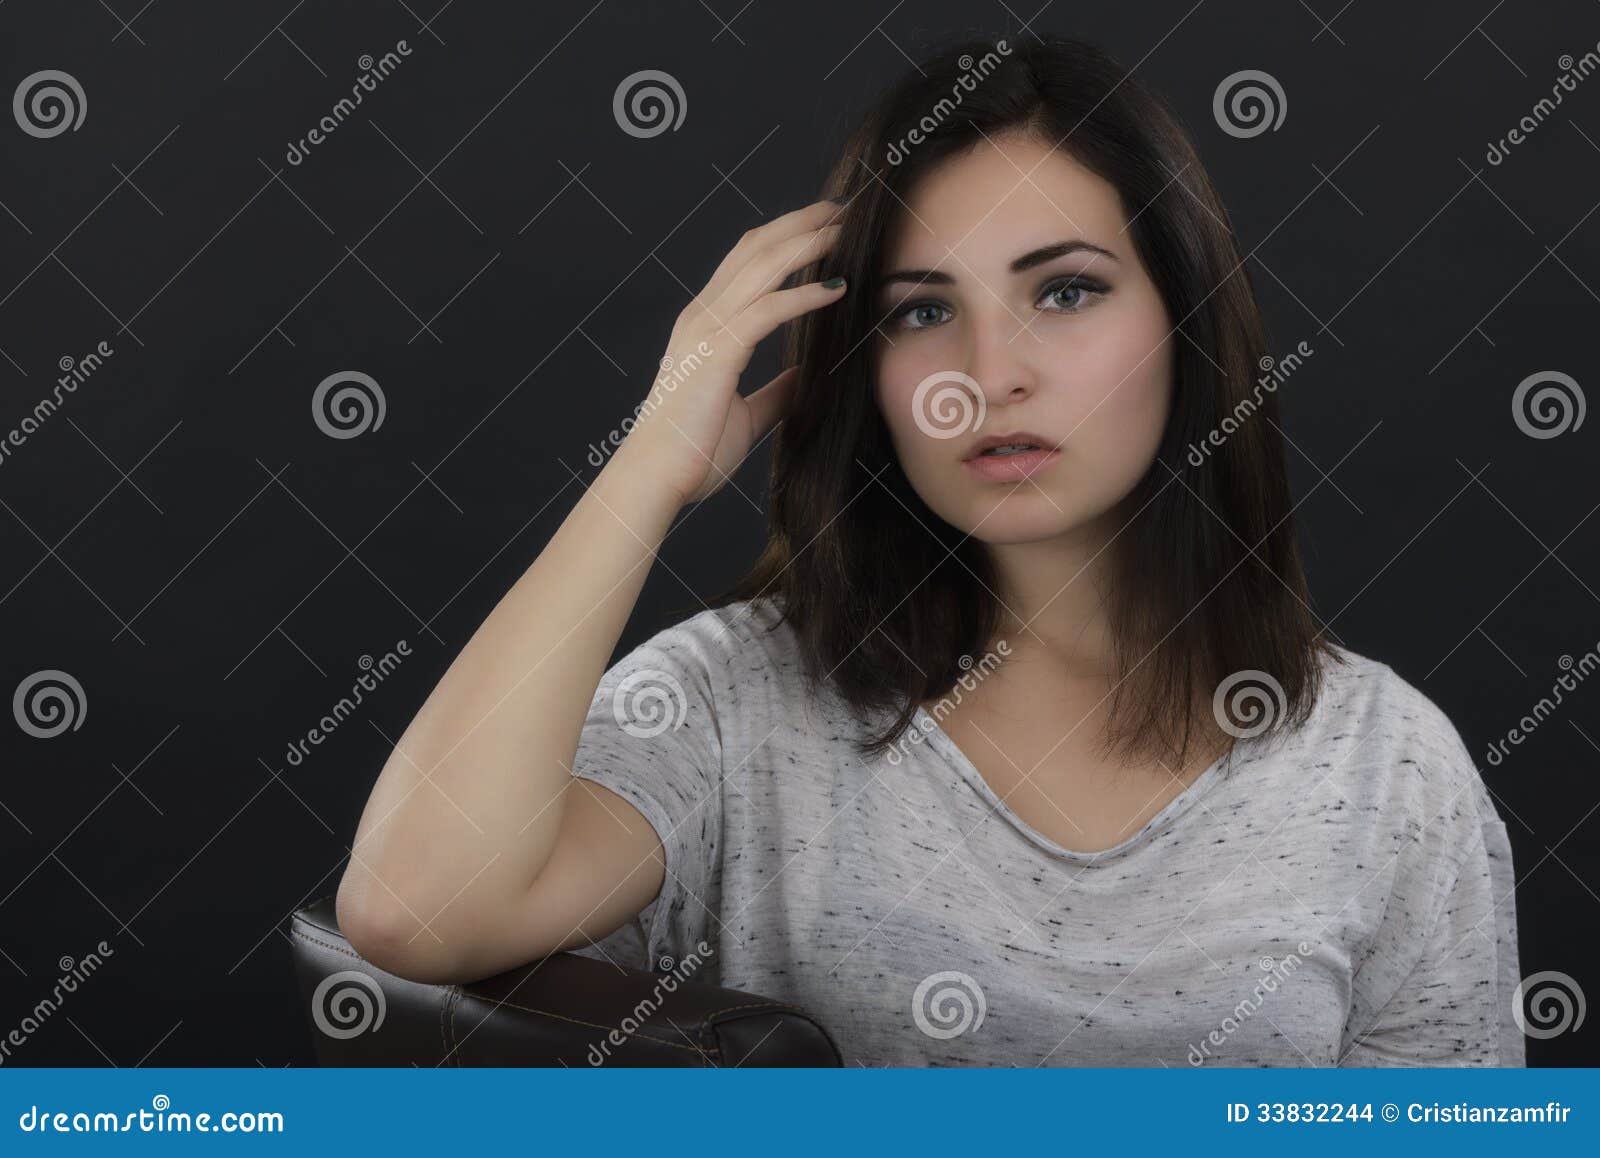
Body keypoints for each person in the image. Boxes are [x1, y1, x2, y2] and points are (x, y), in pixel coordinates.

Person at [335, 35, 1523, 1067]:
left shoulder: (1387, 773)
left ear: (1185, 323)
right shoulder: (731, 704)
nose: (986, 374)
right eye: (919, 310)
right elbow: (410, 910)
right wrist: (649, 467)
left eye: (1063, 291)